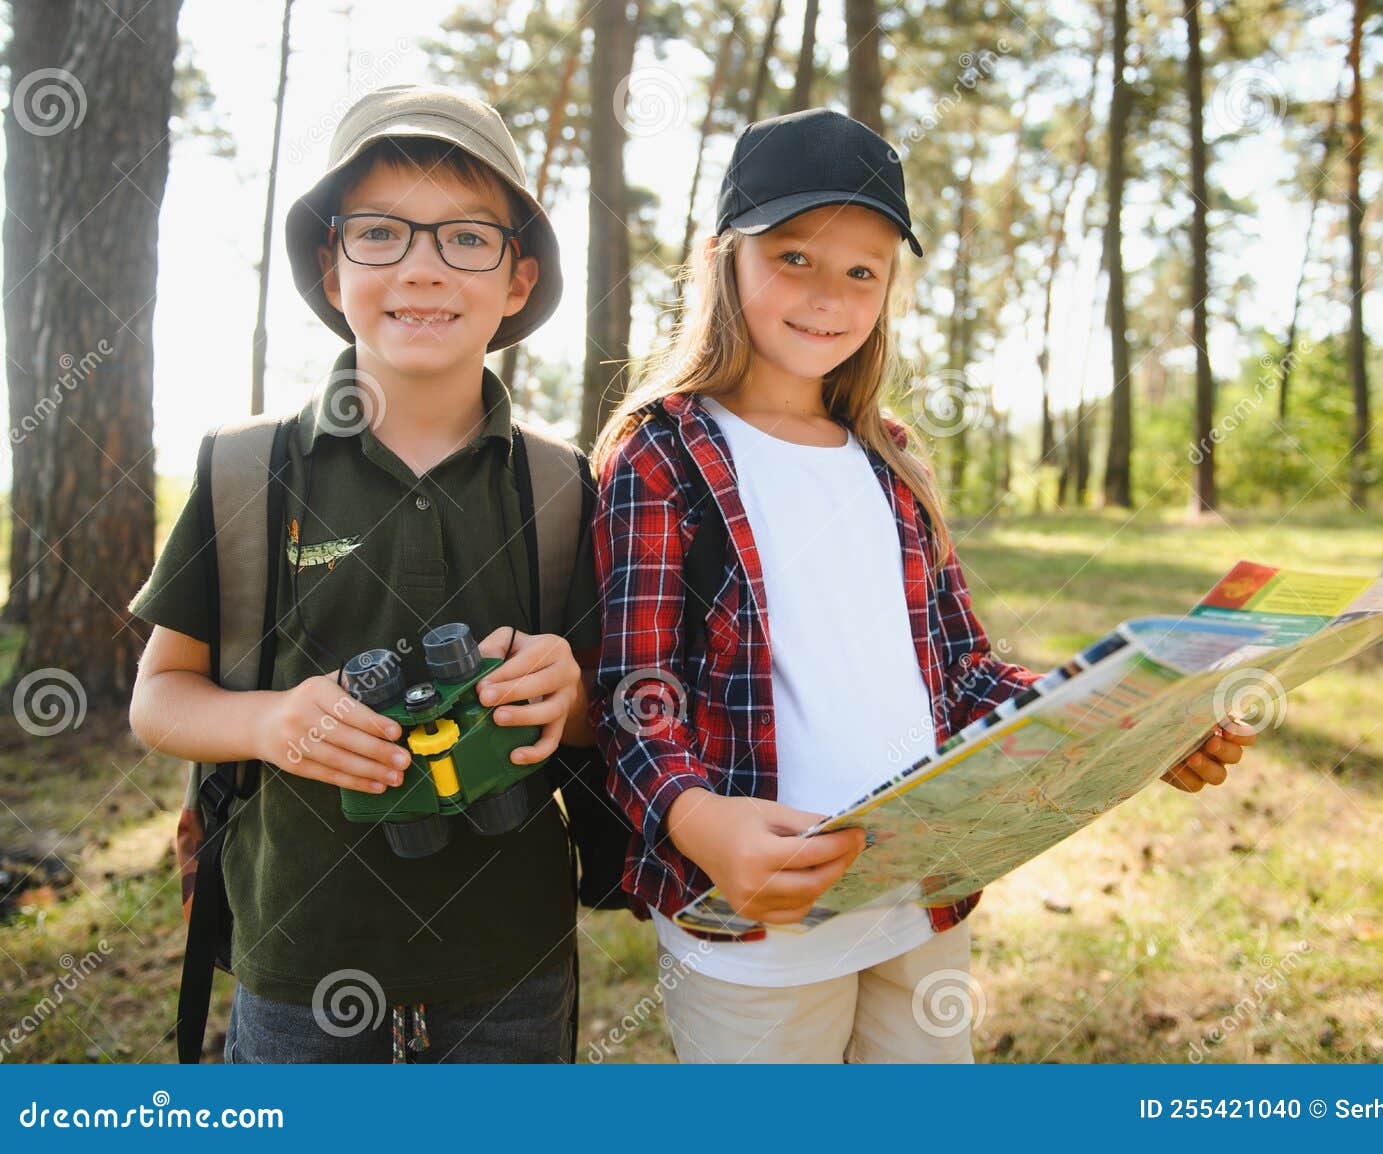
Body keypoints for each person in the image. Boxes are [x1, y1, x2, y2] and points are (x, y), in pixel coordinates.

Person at [589, 108, 1257, 1063]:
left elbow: (962, 673)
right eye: (794, 257)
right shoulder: (663, 450)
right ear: (724, 260)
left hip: (922, 900)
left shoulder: (891, 455)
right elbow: (633, 688)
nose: (829, 295)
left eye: (863, 270)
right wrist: (701, 821)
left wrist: (1140, 719)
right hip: (759, 924)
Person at [127, 84, 599, 1063]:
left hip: (511, 969)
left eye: (465, 238)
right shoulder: (245, 470)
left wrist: (572, 691)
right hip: (299, 962)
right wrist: (270, 720)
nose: (421, 268)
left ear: (518, 277)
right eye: (381, 232)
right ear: (330, 265)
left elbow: (613, 707)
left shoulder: (560, 485)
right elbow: (159, 698)